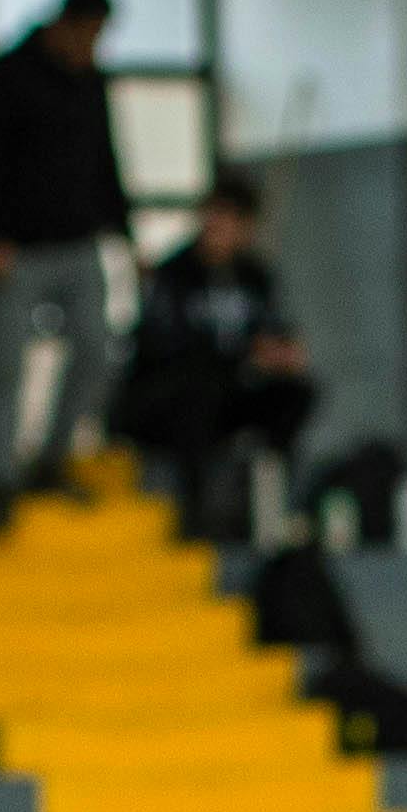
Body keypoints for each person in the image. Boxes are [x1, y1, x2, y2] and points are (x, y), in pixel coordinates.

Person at [0, 0, 133, 531]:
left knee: (96, 349)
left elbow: (104, 159)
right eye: (88, 35)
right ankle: (1, 479)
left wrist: (124, 232)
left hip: (77, 245)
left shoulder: (90, 82)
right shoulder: (5, 77)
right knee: (6, 365)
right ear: (67, 24)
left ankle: (52, 462)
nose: (92, 47)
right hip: (17, 250)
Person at [117, 174, 322, 542]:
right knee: (199, 392)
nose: (217, 229)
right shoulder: (174, 274)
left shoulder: (255, 276)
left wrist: (283, 353)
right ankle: (198, 519)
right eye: (212, 218)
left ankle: (274, 505)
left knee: (296, 393)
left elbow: (275, 332)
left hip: (232, 389)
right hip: (170, 396)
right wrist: (245, 356)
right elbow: (166, 351)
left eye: (228, 221)